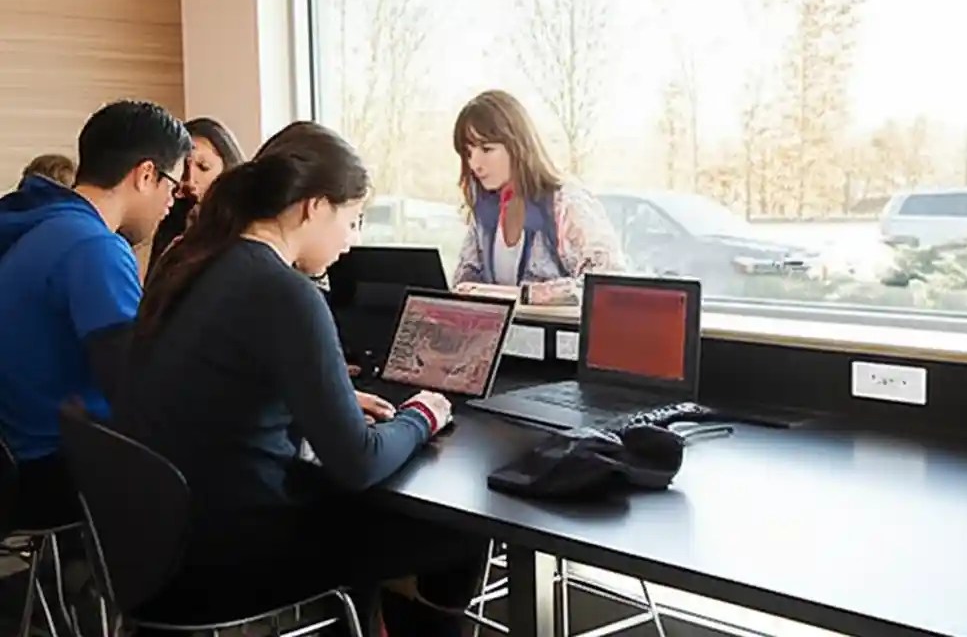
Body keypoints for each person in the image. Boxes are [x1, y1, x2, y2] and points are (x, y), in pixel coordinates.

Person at [115, 121, 485, 635]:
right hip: (231, 558)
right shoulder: (285, 291)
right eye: (353, 220)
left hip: (157, 546)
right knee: (459, 535)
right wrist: (424, 413)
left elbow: (222, 381)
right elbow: (358, 461)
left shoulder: (190, 260)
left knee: (358, 518)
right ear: (314, 206)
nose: (352, 243)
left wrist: (329, 395)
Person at [0, 100, 189, 528]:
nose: (169, 205)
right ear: (145, 175)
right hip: (52, 472)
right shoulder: (93, 246)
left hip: (17, 457)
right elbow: (136, 385)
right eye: (172, 187)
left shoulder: (40, 226)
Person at [452, 90, 625, 305]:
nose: (475, 164)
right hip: (506, 338)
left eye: (487, 149)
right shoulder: (484, 211)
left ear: (519, 146)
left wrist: (523, 296)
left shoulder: (566, 202)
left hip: (557, 337)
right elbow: (464, 284)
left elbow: (608, 284)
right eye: (468, 153)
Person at [148, 116, 246, 268]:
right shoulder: (170, 231)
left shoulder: (246, 236)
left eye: (204, 167)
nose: (190, 181)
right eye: (182, 169)